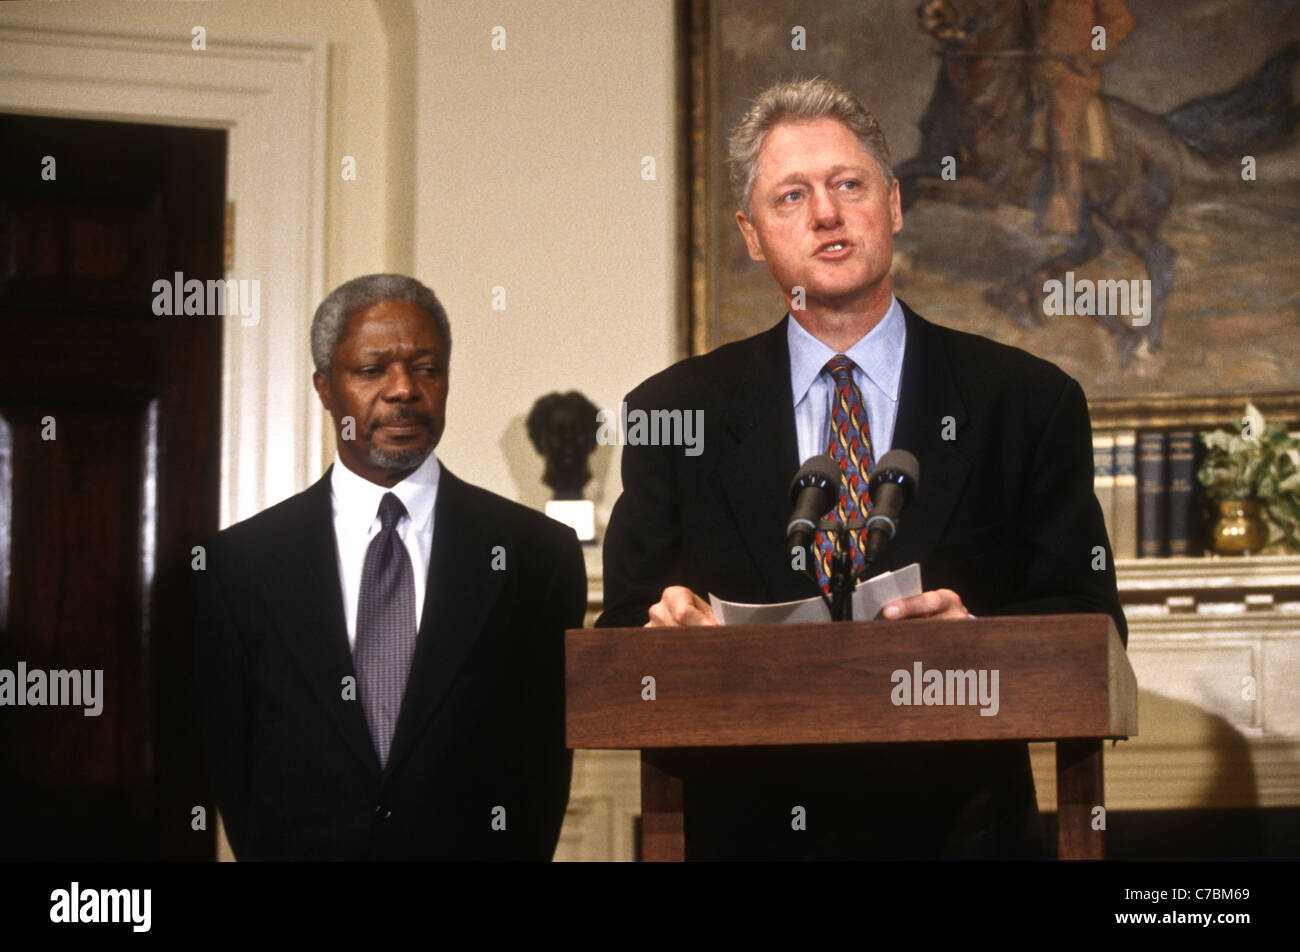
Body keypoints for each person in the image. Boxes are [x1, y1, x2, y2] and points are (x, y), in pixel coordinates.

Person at [597, 78, 1126, 859]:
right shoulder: (675, 414)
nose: (826, 215)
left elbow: (1094, 629)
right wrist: (665, 634)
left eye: (849, 185)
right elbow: (621, 637)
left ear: (896, 205)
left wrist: (979, 645)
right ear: (751, 234)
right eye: (791, 196)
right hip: (748, 837)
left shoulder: (1026, 401)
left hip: (962, 833)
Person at [194, 274, 586, 860]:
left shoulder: (537, 556)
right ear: (324, 388)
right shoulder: (240, 565)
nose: (403, 389)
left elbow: (541, 769)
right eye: (372, 369)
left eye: (425, 368)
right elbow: (233, 769)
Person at [1034, 0, 1136, 234]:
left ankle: (1067, 212)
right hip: (1038, 69)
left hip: (1072, 74)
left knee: (1062, 131)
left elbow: (1121, 22)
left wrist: (1090, 55)